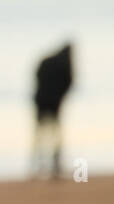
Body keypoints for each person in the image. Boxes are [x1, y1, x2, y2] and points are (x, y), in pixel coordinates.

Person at [32, 43, 74, 179]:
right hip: (53, 104)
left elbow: (36, 76)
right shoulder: (65, 65)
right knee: (55, 134)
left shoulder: (46, 61)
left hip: (40, 101)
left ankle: (38, 165)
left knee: (40, 134)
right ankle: (55, 165)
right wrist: (58, 96)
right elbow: (69, 83)